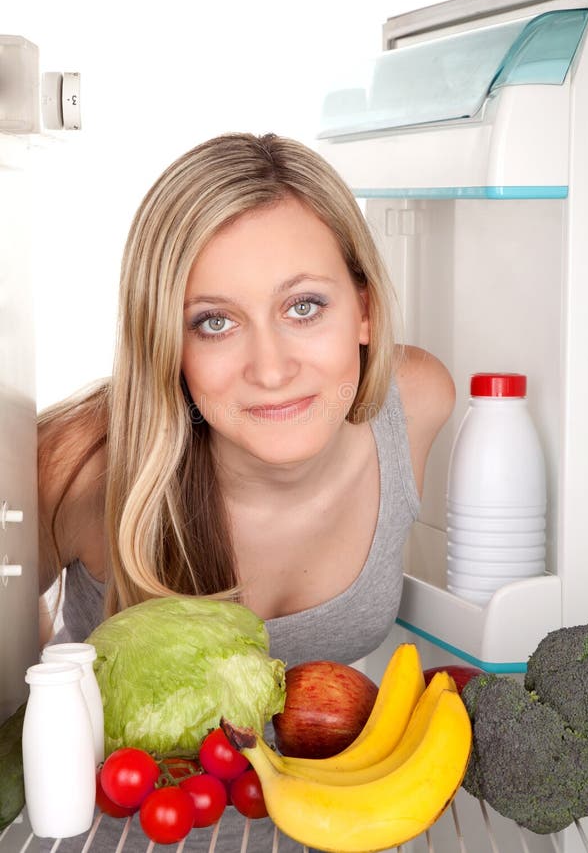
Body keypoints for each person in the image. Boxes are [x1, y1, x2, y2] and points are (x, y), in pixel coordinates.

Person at [37, 132, 454, 852]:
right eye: (215, 322)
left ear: (363, 309)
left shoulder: (416, 400)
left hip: (322, 818)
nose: (271, 368)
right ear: (167, 341)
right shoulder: (82, 463)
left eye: (304, 307)